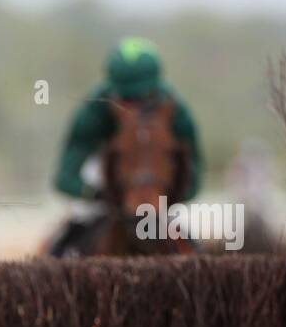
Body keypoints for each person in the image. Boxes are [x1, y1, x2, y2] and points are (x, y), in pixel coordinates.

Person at [50, 37, 203, 254]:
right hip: (102, 185)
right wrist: (103, 195)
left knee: (193, 250)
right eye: (127, 98)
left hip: (159, 194)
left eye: (143, 98)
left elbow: (194, 182)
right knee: (65, 243)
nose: (135, 107)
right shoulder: (93, 112)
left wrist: (158, 195)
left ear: (155, 88)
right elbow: (64, 178)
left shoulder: (177, 114)